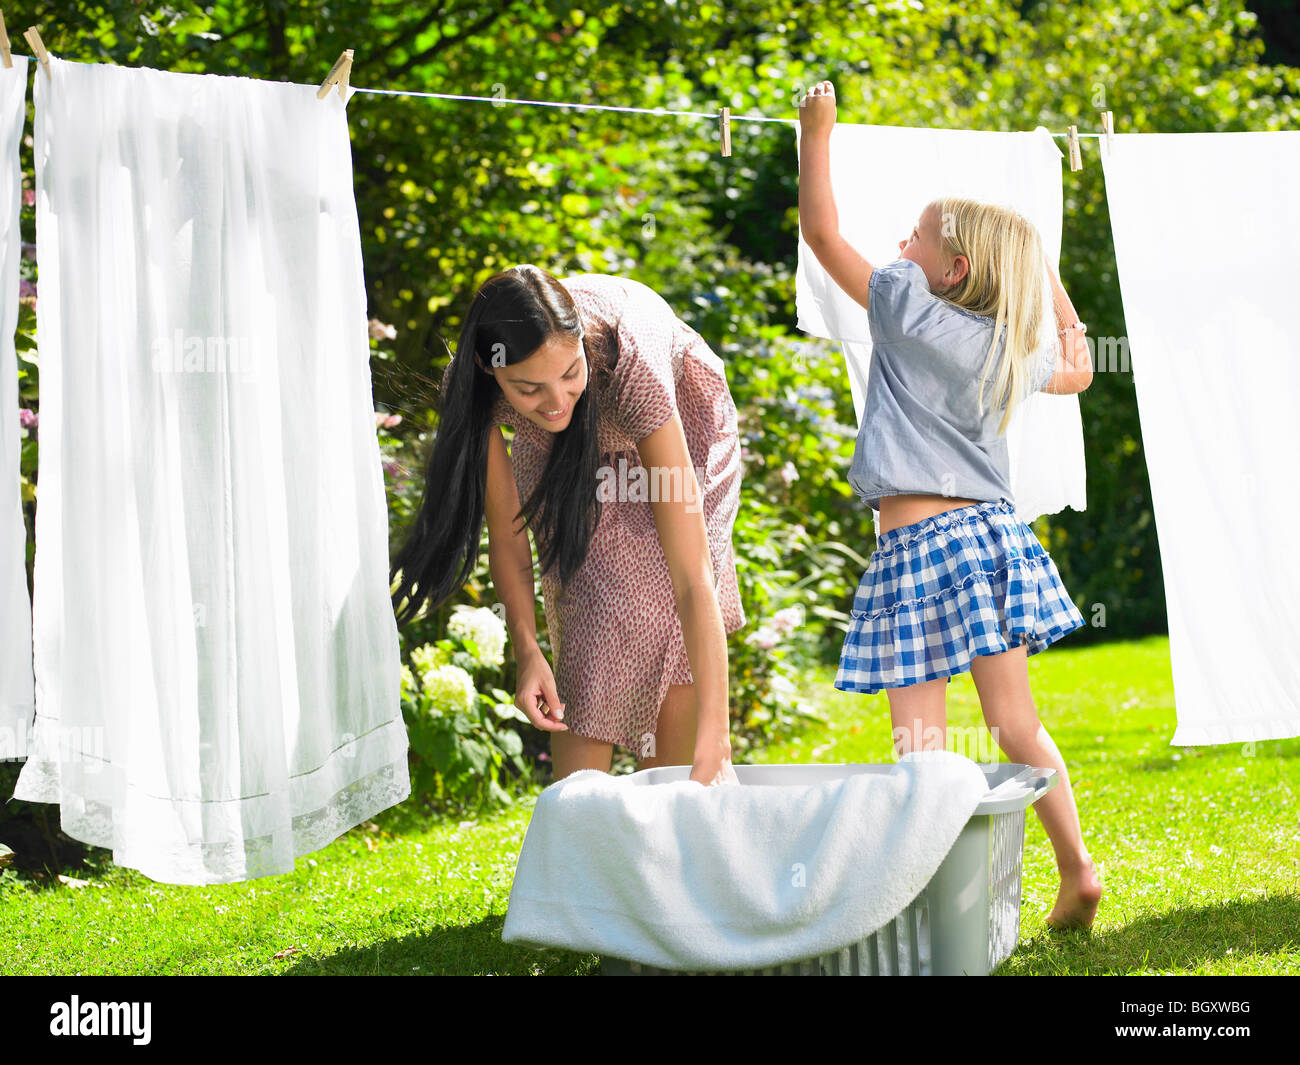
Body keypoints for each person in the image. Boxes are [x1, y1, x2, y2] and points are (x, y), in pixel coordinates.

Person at [796, 80, 1103, 929]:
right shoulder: (1009, 345)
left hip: (918, 546)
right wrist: (1044, 272)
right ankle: (1076, 867)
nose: (902, 242)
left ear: (951, 268)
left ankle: (934, 901)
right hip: (989, 539)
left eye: (918, 236)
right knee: (1016, 726)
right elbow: (1077, 365)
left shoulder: (903, 303)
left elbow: (822, 233)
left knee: (921, 750)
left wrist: (813, 132)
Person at [390, 265, 744, 787]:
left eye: (568, 373)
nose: (555, 400)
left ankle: (673, 801)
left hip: (684, 424)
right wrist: (527, 651)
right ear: (493, 373)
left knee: (667, 601)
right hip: (562, 447)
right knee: (585, 602)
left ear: (582, 350)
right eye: (528, 387)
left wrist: (717, 733)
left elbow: (693, 577)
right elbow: (509, 533)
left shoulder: (631, 362)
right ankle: (577, 817)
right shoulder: (474, 387)